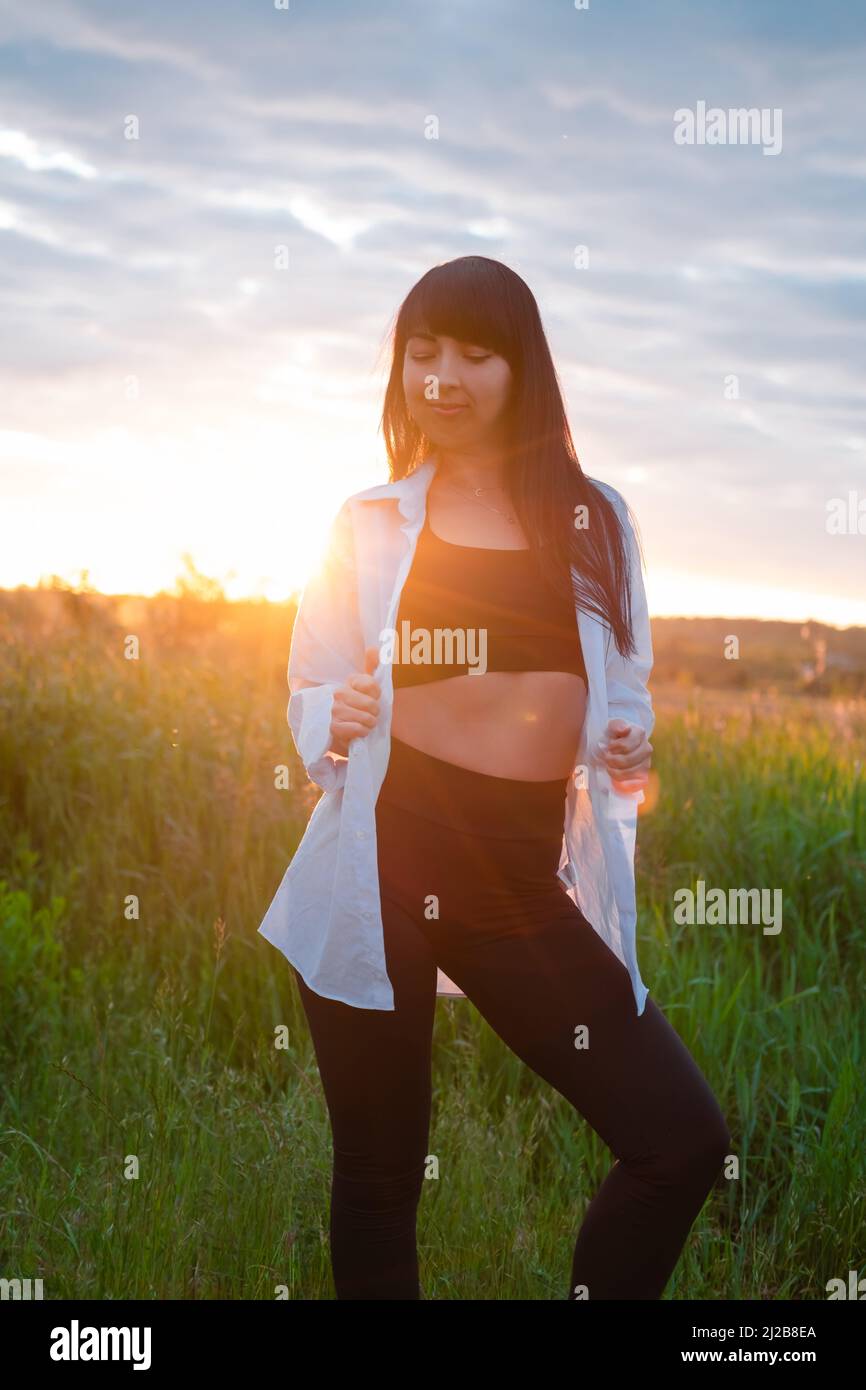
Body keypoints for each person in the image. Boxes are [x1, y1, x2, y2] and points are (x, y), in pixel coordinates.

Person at [258, 255, 731, 1300]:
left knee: (680, 1140)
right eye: (422, 351)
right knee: (380, 1179)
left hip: (516, 882)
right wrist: (323, 717)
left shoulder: (592, 519)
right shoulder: (367, 521)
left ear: (522, 368)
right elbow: (311, 681)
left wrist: (625, 751)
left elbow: (623, 685)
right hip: (380, 861)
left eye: (475, 352)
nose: (444, 374)